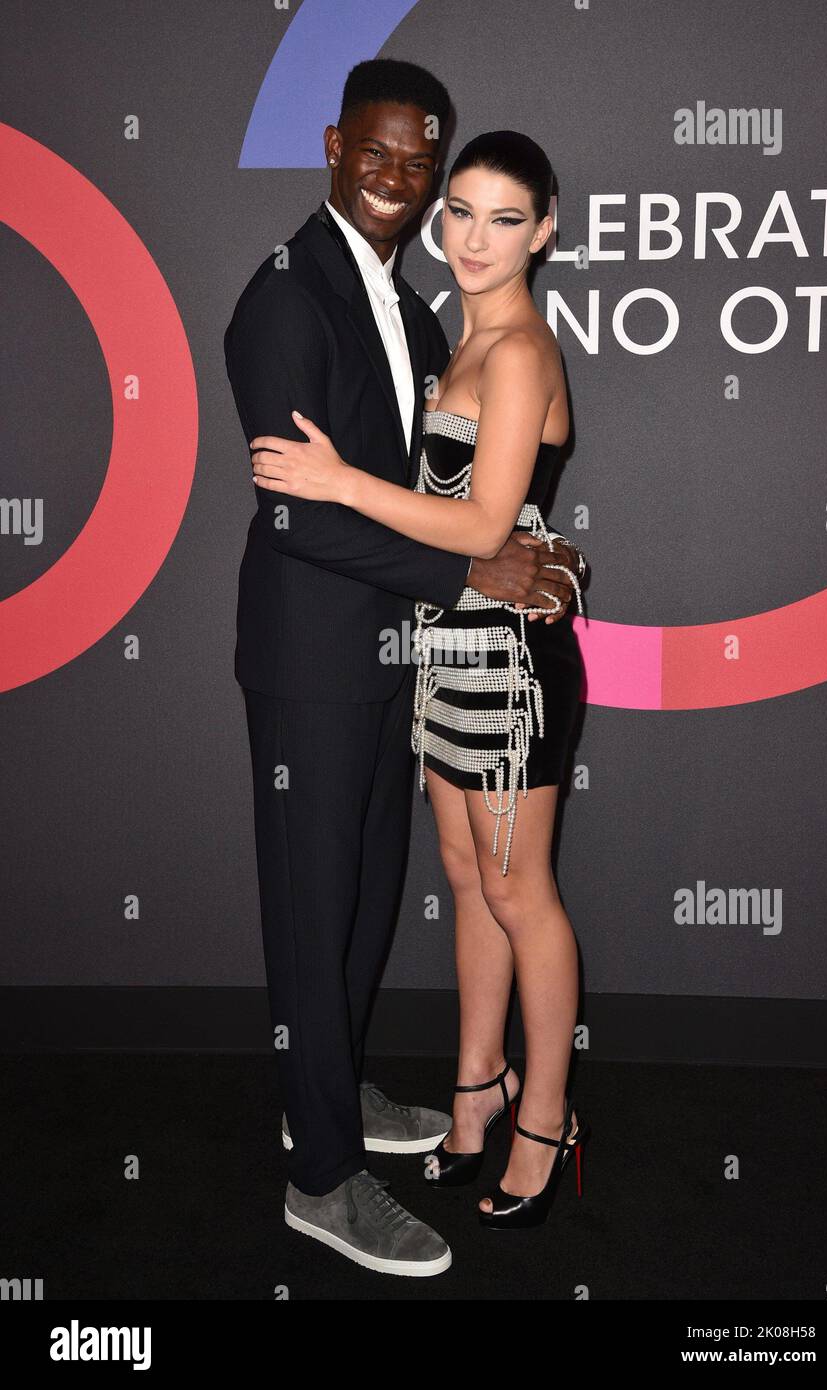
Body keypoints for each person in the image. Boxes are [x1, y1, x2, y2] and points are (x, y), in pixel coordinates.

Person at [224, 60, 581, 1275]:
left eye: (417, 163)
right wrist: (475, 574)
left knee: (372, 904)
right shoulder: (284, 298)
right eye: (376, 154)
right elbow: (294, 512)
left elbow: (448, 492)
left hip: (402, 666)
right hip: (315, 658)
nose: (395, 179)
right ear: (332, 147)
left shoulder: (419, 309)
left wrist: (517, 539)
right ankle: (319, 1175)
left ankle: (332, 1088)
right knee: (313, 910)